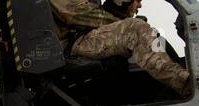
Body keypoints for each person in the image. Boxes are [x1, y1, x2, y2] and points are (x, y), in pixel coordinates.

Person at [50, 0, 190, 96]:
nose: (140, 5)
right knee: (135, 29)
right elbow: (74, 12)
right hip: (68, 45)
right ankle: (185, 85)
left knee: (147, 34)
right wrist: (122, 23)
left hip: (81, 39)